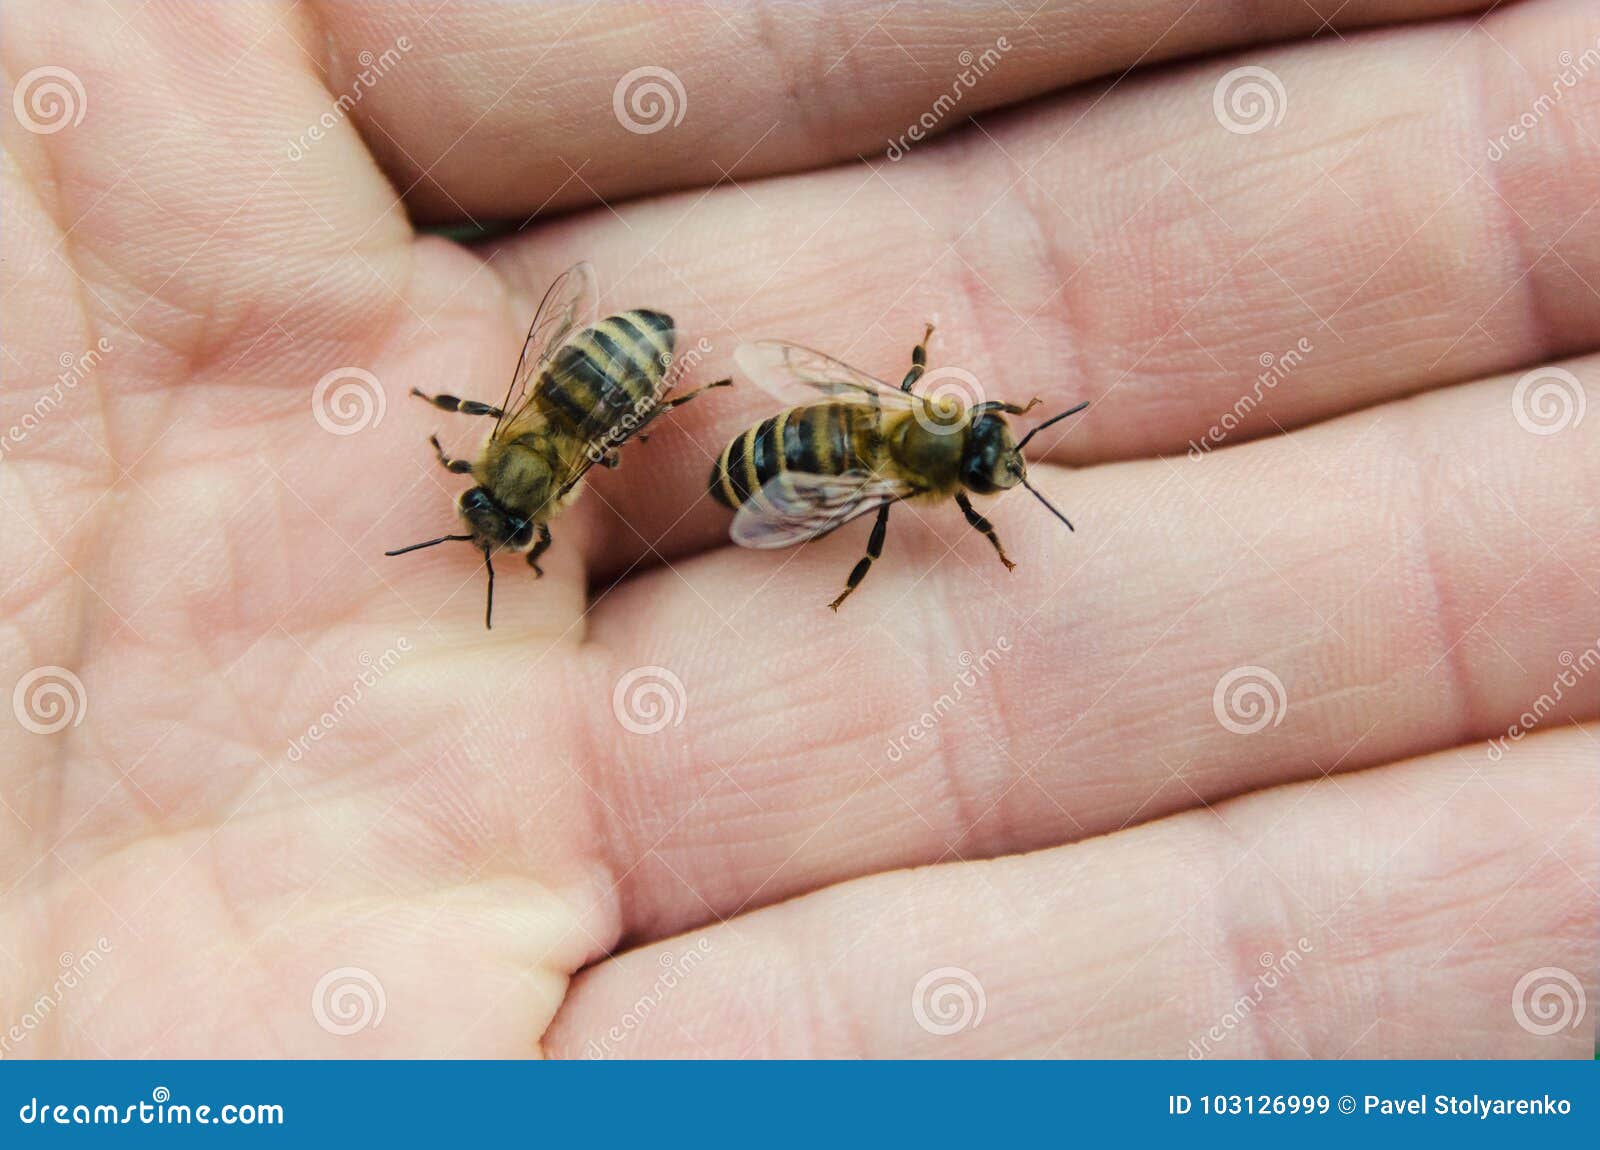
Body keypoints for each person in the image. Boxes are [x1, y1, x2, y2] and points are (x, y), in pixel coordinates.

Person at [1, 0, 1593, 1059]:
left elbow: (713, 437)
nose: (980, 458)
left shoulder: (869, 466)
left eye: (986, 463)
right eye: (988, 456)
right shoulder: (782, 475)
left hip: (738, 413)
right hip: (731, 412)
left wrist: (697, 431)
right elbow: (646, 431)